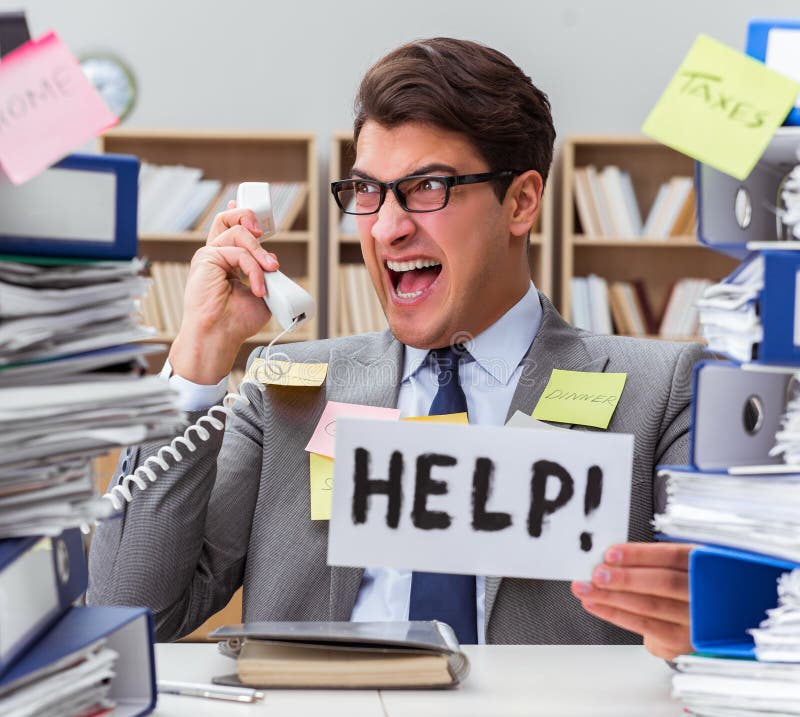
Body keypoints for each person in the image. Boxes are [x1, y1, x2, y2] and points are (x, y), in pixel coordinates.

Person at [88, 37, 701, 659]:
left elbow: (719, 619)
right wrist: (199, 351)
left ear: (520, 202)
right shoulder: (285, 389)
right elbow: (130, 611)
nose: (386, 228)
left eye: (428, 186)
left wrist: (703, 617)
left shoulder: (663, 391)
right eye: (367, 191)